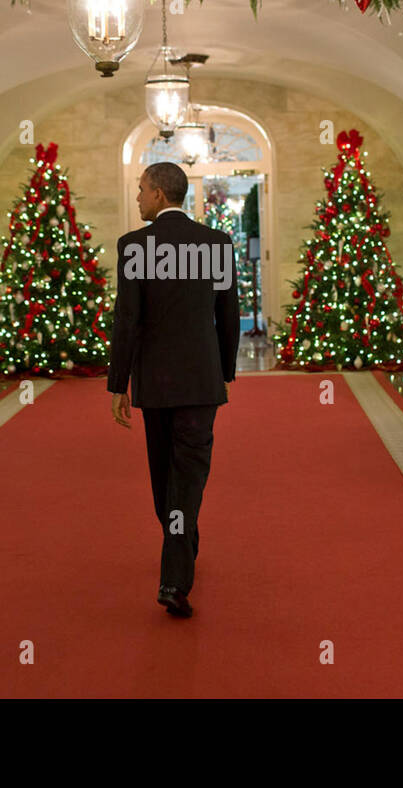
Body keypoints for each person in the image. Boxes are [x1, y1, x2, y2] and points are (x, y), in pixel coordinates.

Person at [108, 162, 240, 618]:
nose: (138, 198)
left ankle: (173, 580)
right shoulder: (217, 245)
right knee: (181, 481)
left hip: (156, 384)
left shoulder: (133, 247)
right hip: (200, 383)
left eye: (142, 190)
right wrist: (223, 370)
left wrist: (117, 383)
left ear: (161, 193)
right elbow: (228, 314)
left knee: (169, 480)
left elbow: (127, 320)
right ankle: (185, 546)